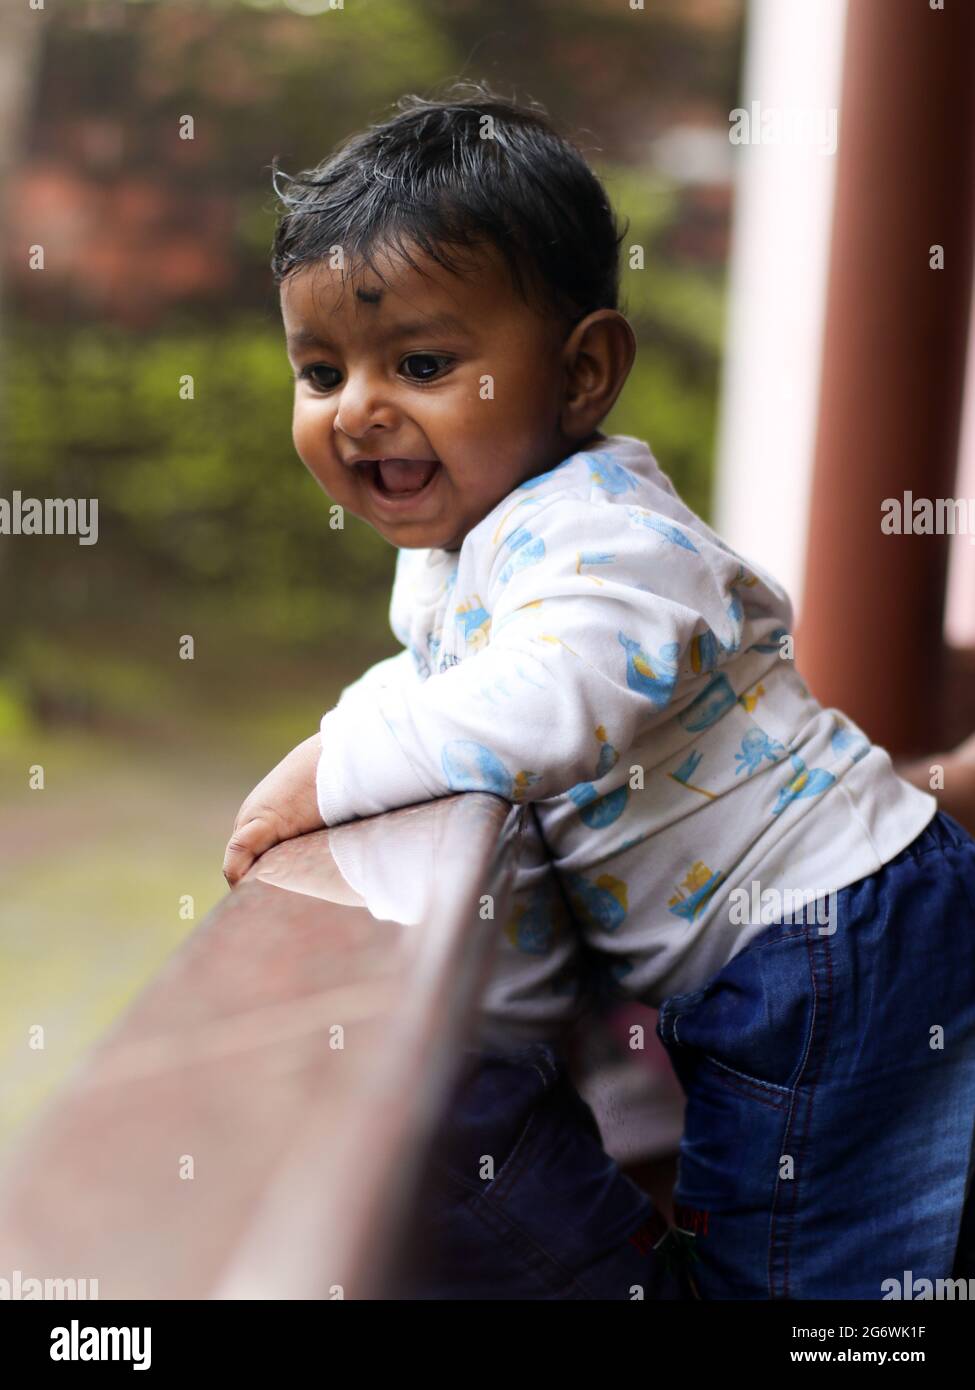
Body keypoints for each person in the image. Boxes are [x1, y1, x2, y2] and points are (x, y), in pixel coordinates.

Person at [222, 84, 975, 1300]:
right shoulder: (472, 550)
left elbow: (548, 704)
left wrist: (336, 763)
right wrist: (359, 728)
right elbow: (449, 686)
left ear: (583, 373)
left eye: (419, 361)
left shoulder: (601, 534)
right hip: (788, 950)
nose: (357, 408)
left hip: (828, 938)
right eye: (320, 371)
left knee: (806, 1275)